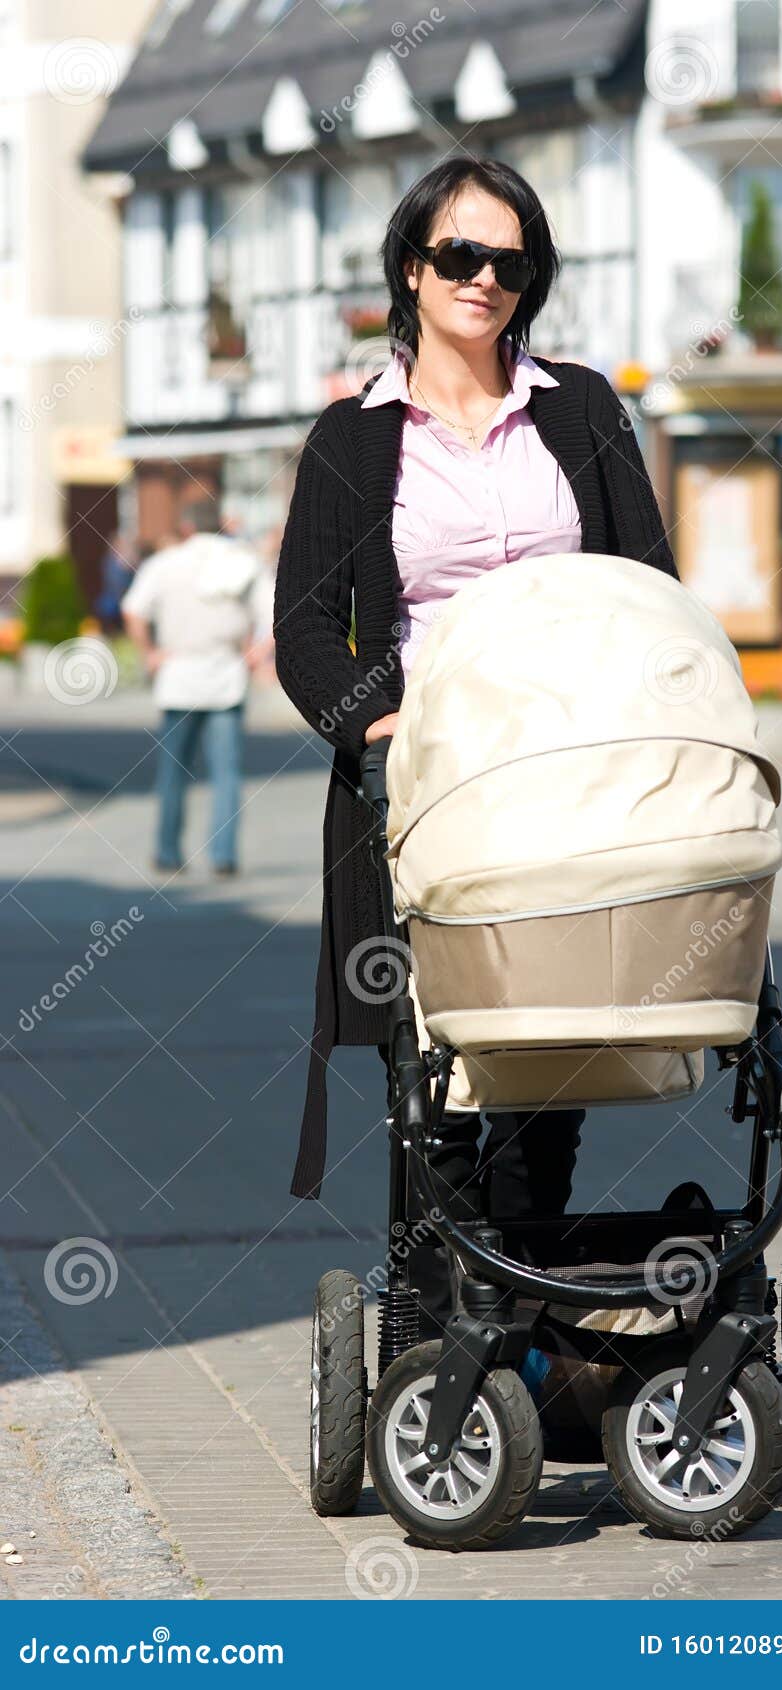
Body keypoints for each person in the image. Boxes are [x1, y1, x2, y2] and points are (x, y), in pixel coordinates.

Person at [273, 156, 677, 1337]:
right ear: (412, 268)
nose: (486, 279)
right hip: (430, 781)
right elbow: (304, 624)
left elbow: (644, 577)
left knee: (553, 1034)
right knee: (437, 1056)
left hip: (573, 769)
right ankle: (432, 1303)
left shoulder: (584, 408)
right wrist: (378, 725)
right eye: (461, 256)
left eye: (511, 262)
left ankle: (527, 1282)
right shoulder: (351, 442)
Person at [122, 500, 274, 877]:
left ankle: (168, 852)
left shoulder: (164, 563)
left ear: (187, 527)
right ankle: (223, 856)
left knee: (173, 772)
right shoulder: (242, 561)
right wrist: (258, 652)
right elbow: (275, 612)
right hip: (226, 674)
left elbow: (132, 610)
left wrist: (150, 652)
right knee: (226, 773)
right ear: (221, 525)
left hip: (179, 674)